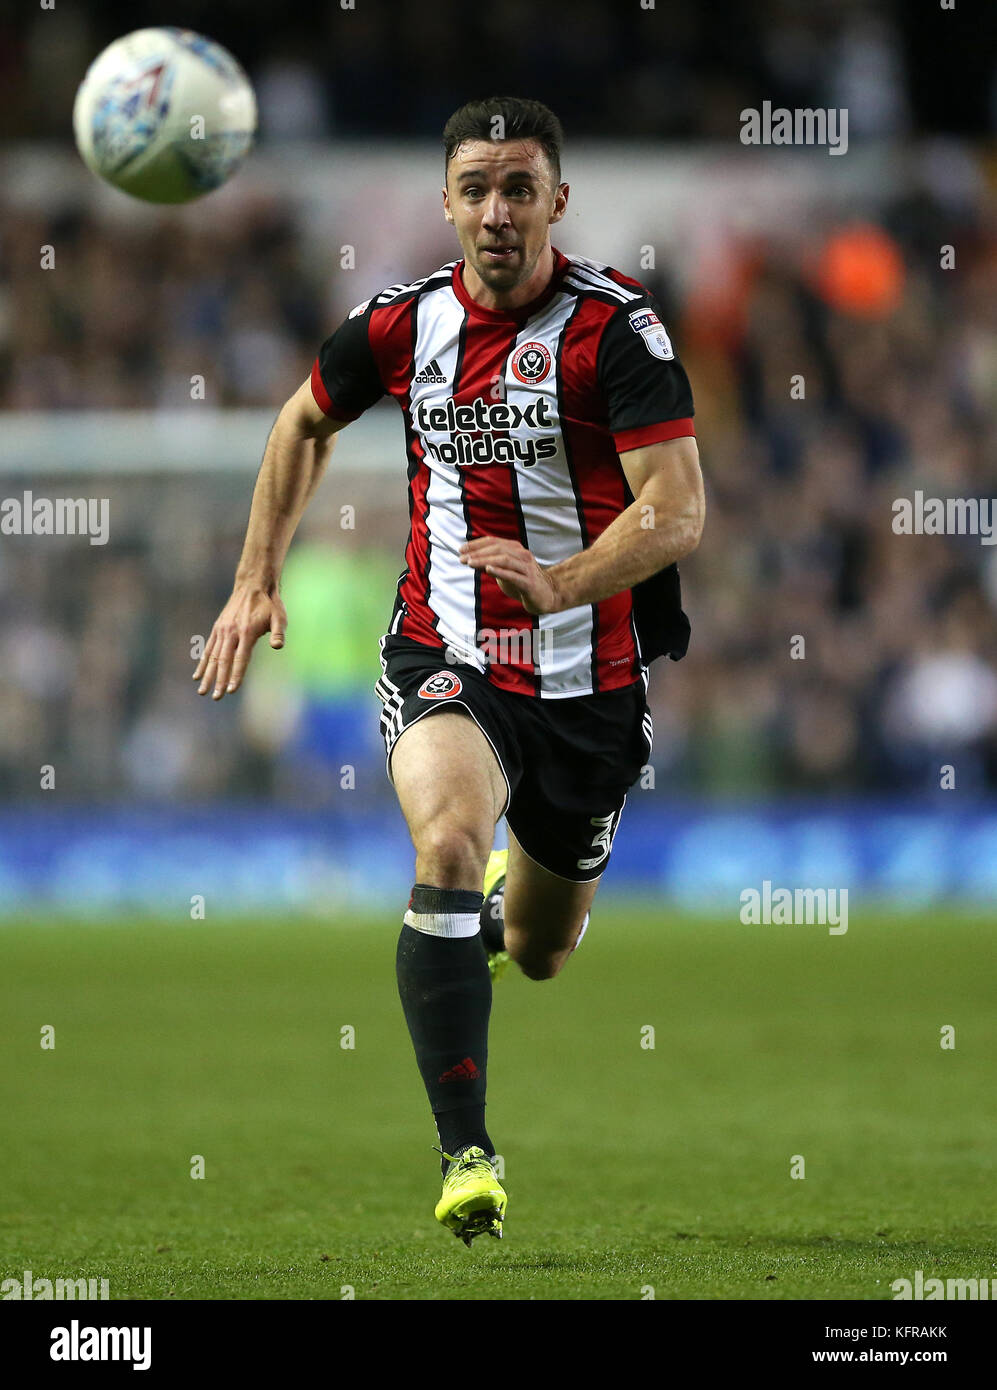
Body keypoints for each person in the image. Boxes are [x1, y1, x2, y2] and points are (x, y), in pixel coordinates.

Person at [194, 96, 705, 1246]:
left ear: (557, 203)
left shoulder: (615, 332)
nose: (496, 211)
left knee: (539, 949)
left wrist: (565, 581)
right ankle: (465, 1150)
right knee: (446, 844)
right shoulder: (400, 326)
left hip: (588, 680)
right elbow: (302, 423)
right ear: (445, 203)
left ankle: (463, 932)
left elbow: (677, 511)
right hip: (449, 652)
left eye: (519, 187)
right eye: (474, 188)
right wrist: (252, 575)